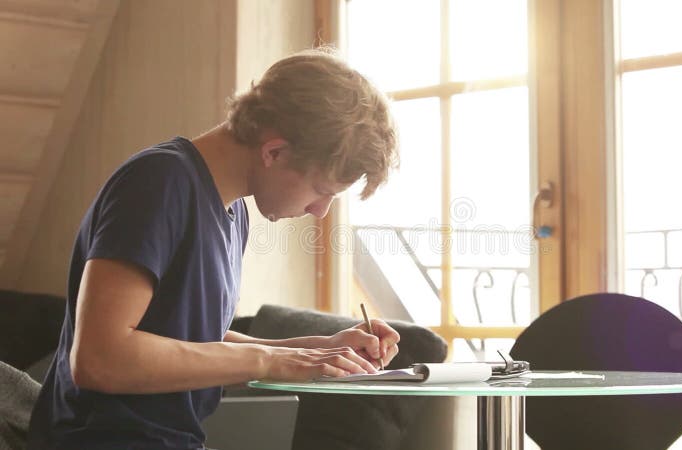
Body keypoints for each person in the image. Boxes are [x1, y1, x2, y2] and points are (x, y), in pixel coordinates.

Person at [27, 48, 401, 450]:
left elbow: (187, 337)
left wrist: (316, 349)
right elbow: (99, 359)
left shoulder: (232, 211)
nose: (319, 210)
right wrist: (270, 361)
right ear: (274, 151)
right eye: (322, 190)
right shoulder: (159, 183)